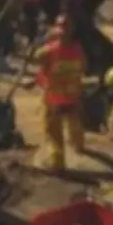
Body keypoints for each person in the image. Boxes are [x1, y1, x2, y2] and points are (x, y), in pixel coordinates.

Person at [35, 14, 86, 173]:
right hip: (73, 95)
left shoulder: (50, 50)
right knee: (75, 124)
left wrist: (48, 38)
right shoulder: (78, 49)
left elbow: (37, 57)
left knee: (53, 133)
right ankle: (78, 145)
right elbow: (84, 67)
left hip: (54, 98)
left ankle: (57, 162)